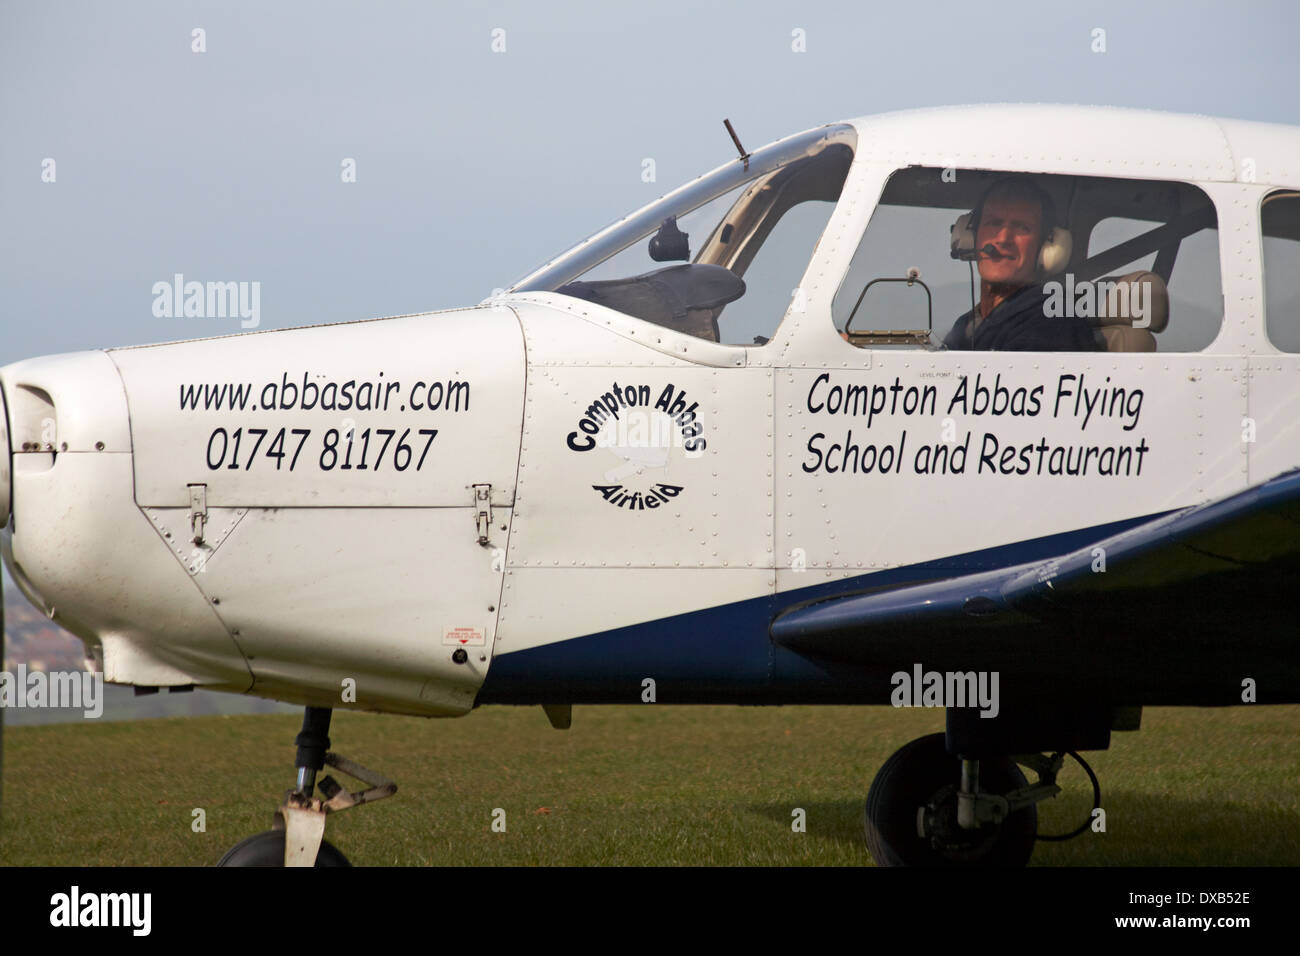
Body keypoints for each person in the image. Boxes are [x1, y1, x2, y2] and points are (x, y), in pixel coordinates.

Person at [944, 177, 1098, 352]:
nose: (1003, 239)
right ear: (971, 237)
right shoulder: (966, 325)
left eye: (1021, 227)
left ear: (1046, 248)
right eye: (994, 223)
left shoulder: (1052, 323)